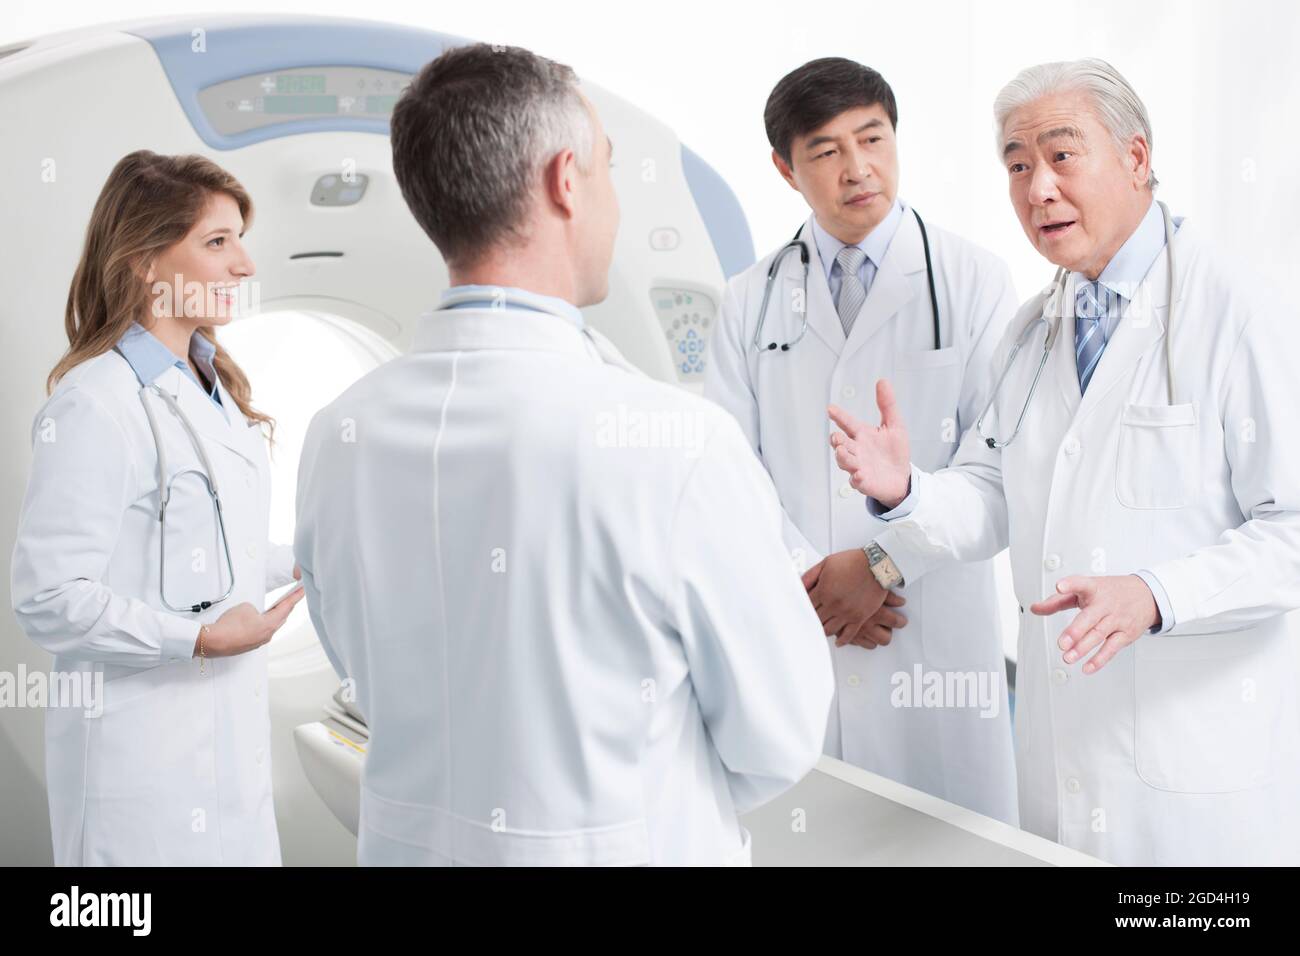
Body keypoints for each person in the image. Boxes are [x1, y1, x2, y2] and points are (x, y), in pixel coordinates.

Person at [292, 43, 834, 867]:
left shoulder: (339, 433)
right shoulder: (676, 443)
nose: (613, 198)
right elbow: (779, 736)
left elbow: (361, 673)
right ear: (565, 181)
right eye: (607, 167)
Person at [828, 59, 1300, 865]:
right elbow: (992, 495)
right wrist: (906, 493)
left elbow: (1289, 532)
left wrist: (1155, 595)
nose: (1038, 188)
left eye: (1061, 155)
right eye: (1017, 165)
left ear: (1136, 157)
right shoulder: (1033, 330)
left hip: (1196, 780)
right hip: (1063, 762)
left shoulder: (1239, 312)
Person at [705, 58, 1018, 823]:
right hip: (805, 630)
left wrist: (883, 562)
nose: (857, 168)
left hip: (932, 640)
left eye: (872, 138)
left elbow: (997, 472)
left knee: (945, 845)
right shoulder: (747, 302)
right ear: (786, 169)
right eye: (825, 150)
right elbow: (725, 476)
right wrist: (812, 581)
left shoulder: (974, 281)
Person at [11, 150, 305, 866]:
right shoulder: (96, 403)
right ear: (146, 261)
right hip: (139, 771)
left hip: (230, 764)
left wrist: (314, 558)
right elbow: (48, 598)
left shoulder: (213, 388)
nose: (244, 265)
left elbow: (213, 554)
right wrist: (197, 640)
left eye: (240, 240)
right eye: (217, 241)